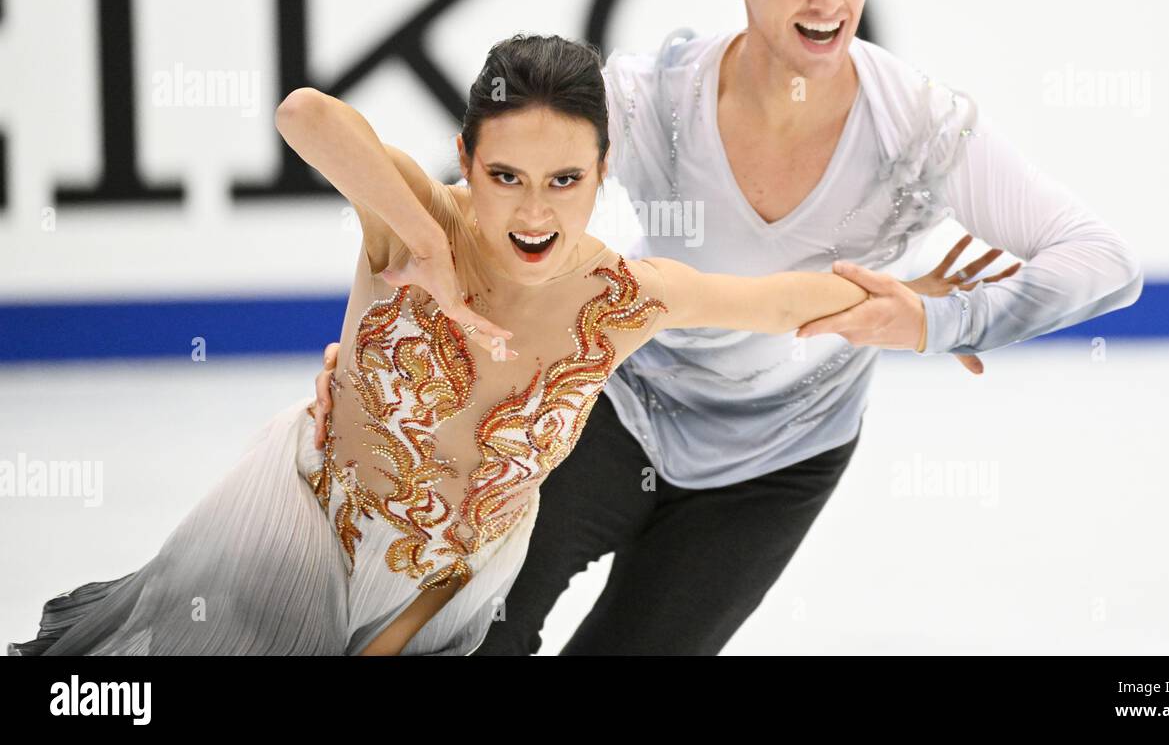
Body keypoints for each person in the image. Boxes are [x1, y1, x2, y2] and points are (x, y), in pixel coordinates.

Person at [306, 0, 1145, 655]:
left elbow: (1106, 262)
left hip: (777, 464)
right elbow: (484, 197)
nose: (830, 1)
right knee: (476, 638)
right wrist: (379, 373)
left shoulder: (917, 127)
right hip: (615, 415)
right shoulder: (651, 96)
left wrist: (937, 321)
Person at [7, 32, 989, 657]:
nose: (532, 207)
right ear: (467, 161)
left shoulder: (625, 295)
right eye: (506, 174)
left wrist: (921, 303)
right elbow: (304, 113)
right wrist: (430, 245)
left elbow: (780, 304)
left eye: (564, 179)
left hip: (448, 594)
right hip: (299, 530)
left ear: (603, 172)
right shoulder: (408, 226)